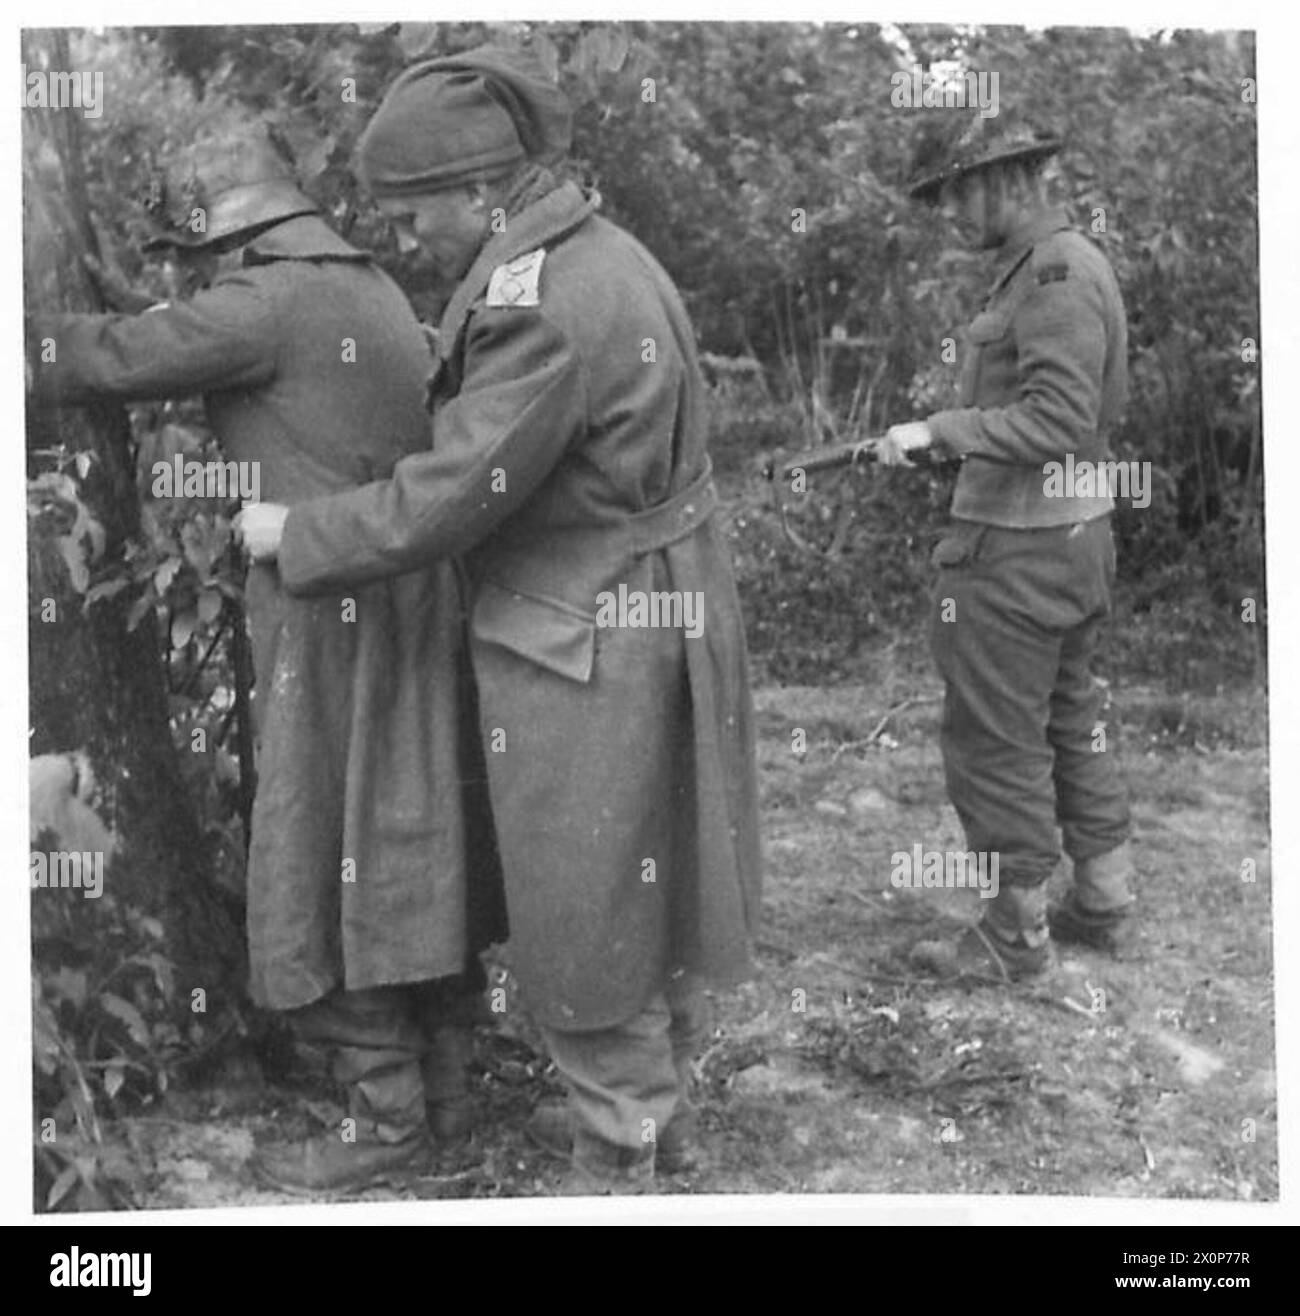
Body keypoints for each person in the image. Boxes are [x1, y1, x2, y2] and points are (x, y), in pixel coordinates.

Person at [236, 45, 763, 1193]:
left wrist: (302, 536)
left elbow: (453, 491)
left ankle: (614, 1148)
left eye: (416, 214)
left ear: (482, 192)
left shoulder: (543, 302)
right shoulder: (595, 255)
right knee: (644, 870)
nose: (408, 240)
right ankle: (654, 1117)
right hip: (649, 601)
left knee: (584, 896)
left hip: (581, 628)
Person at [27, 128, 505, 1192]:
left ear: (232, 234)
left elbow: (109, 356)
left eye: (194, 257)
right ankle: (446, 1092)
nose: (193, 279)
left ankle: (385, 1115)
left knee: (325, 839)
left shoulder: (261, 304)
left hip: (330, 602)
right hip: (404, 586)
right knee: (408, 830)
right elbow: (180, 326)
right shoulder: (359, 285)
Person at [878, 113, 1136, 982]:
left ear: (1010, 180)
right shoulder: (1049, 267)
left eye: (958, 192)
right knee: (1070, 717)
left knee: (996, 737)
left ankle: (1013, 935)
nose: (950, 212)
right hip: (1069, 537)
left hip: (1020, 551)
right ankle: (1102, 896)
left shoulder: (1054, 274)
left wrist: (935, 431)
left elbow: (1059, 419)